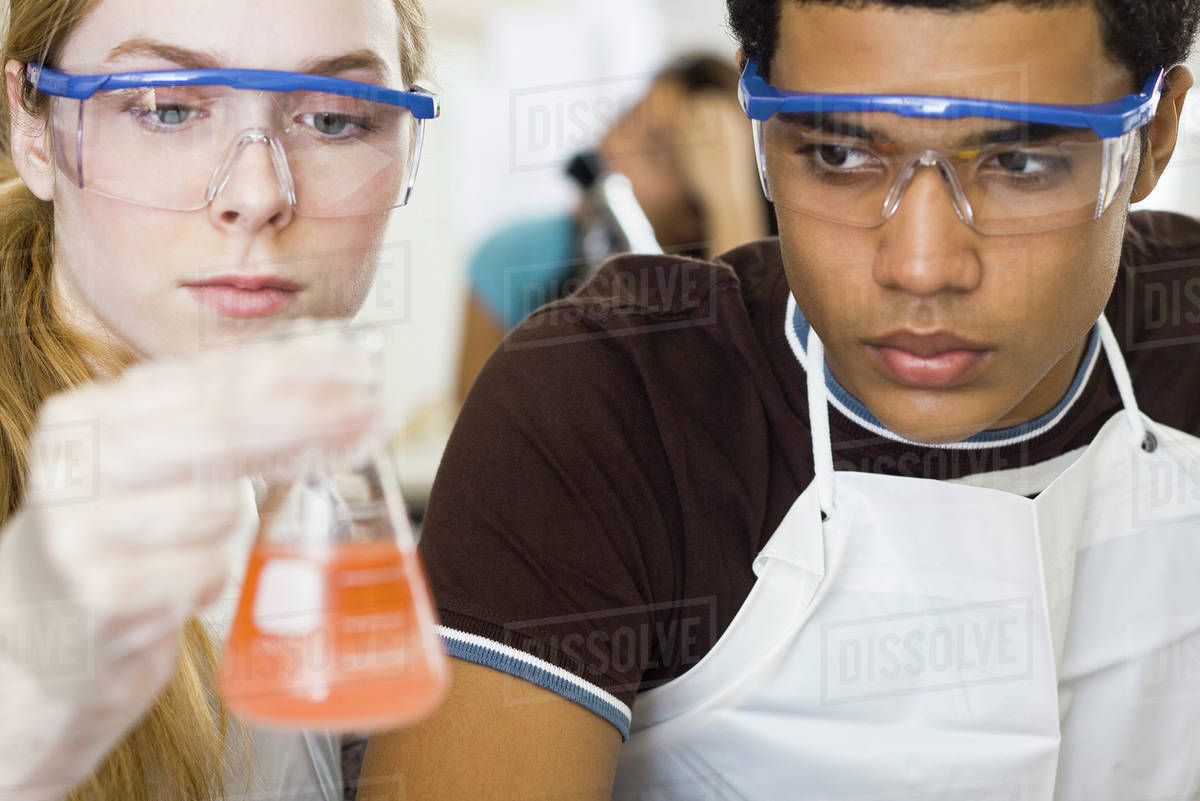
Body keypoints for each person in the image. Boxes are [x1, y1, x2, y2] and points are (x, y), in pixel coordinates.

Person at [363, 1, 1200, 799]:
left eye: (1020, 162)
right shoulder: (610, 404)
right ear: (756, 123)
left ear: (1155, 138)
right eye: (840, 155)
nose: (922, 265)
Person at [0, 0, 433, 798]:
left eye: (335, 120)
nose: (260, 192)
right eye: (166, 108)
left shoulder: (318, 497)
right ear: (35, 131)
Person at [456, 54, 772, 402]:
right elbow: (473, 422)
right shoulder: (519, 253)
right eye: (626, 119)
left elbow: (737, 399)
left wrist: (731, 202)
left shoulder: (758, 291)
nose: (612, 146)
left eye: (653, 153)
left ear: (693, 219)